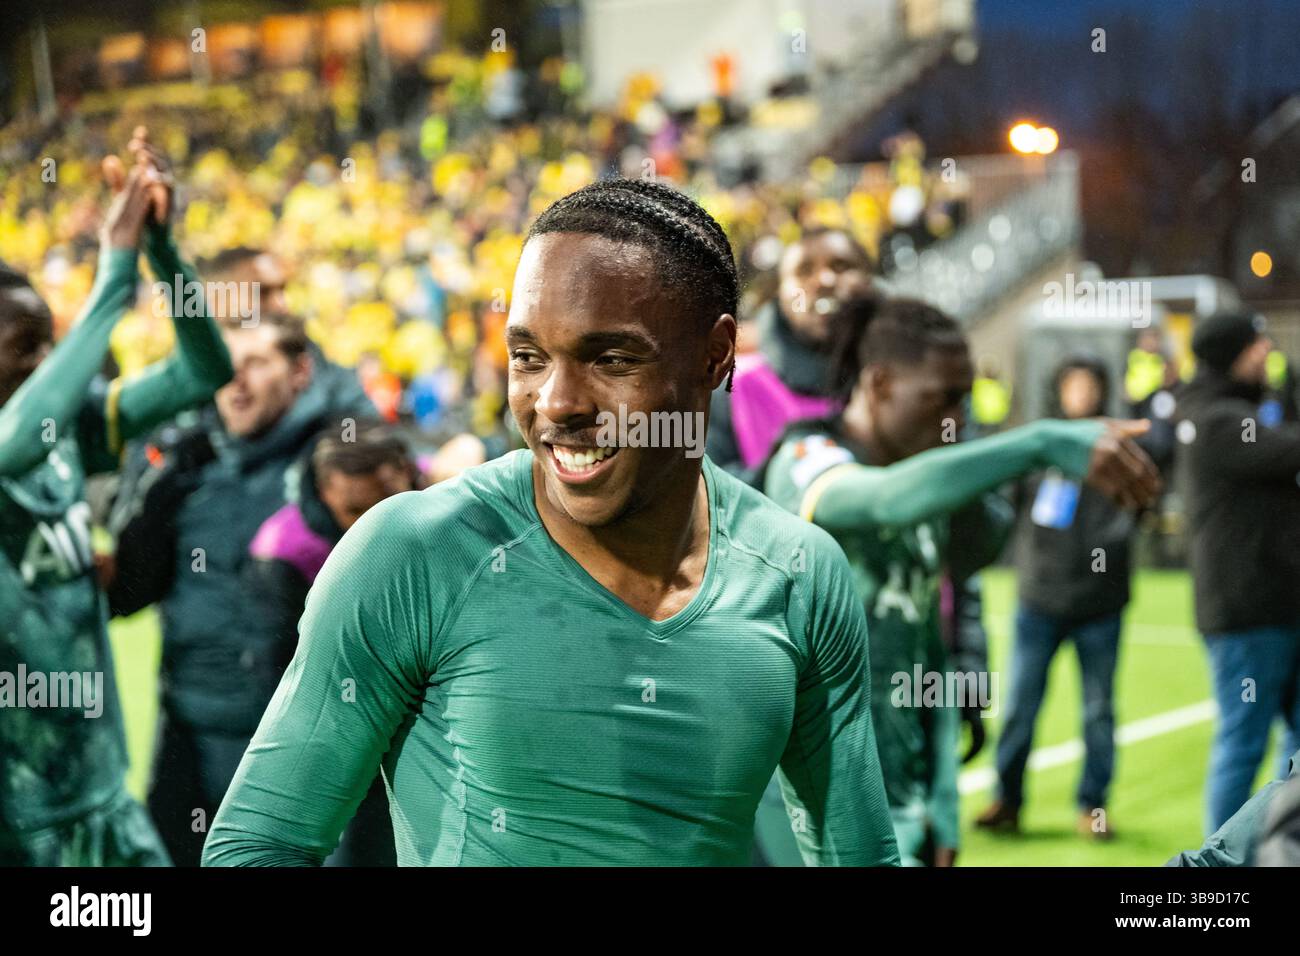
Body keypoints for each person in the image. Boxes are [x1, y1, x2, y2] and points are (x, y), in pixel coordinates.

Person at [204, 177, 899, 866]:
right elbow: (255, 849)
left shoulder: (799, 573)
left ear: (716, 354)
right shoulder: (414, 553)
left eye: (612, 359)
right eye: (529, 357)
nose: (558, 402)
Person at [760, 296, 1161, 866]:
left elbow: (930, 656)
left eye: (965, 396)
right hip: (807, 814)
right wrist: (1040, 442)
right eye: (943, 397)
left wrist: (944, 799)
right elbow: (881, 501)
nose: (959, 415)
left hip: (903, 803)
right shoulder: (806, 455)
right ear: (878, 385)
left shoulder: (935, 486)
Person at [0, 131, 232, 864]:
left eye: (50, 341)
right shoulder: (25, 441)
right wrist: (112, 273)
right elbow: (11, 449)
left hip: (103, 796)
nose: (48, 362)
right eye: (23, 345)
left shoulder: (64, 431)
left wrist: (162, 255)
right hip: (16, 820)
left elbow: (203, 370)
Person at [107, 254, 376, 867]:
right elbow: (125, 596)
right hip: (187, 734)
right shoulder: (178, 460)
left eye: (256, 364)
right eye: (225, 368)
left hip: (304, 741)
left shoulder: (340, 459)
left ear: (301, 372)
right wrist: (147, 505)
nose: (238, 384)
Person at [976, 354, 1150, 840]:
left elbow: (1141, 504)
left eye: (1089, 385)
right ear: (1059, 389)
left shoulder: (1118, 449)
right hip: (1039, 598)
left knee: (1098, 710)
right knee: (1020, 705)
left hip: (1100, 602)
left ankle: (1092, 807)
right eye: (1072, 384)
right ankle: (1006, 801)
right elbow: (1006, 501)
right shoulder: (1040, 447)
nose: (1081, 393)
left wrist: (1110, 549)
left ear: (1101, 389)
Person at [244, 425, 418, 867]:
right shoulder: (282, 551)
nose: (375, 526)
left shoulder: (439, 504)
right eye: (355, 510)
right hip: (342, 736)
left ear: (408, 477)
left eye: (387, 506)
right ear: (324, 492)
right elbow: (283, 679)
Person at [1174, 310, 1300, 835]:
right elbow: (1288, 450)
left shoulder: (1235, 411)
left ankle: (1282, 842)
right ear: (1232, 353)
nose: (1266, 353)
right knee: (1243, 742)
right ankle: (1217, 866)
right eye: (1257, 346)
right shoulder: (1216, 419)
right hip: (1246, 611)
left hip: (1278, 602)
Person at [706, 227, 872, 484]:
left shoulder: (917, 367)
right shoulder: (733, 388)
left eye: (841, 266)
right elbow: (710, 491)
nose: (824, 281)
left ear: (871, 281)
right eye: (804, 271)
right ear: (781, 295)